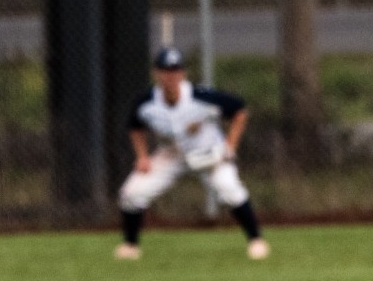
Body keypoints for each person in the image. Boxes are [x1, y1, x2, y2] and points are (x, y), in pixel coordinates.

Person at [114, 46, 270, 261]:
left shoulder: (201, 95)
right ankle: (130, 246)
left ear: (182, 73)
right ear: (156, 73)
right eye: (166, 70)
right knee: (132, 193)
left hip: (208, 153)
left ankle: (256, 240)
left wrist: (230, 146)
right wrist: (142, 156)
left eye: (175, 70)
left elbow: (240, 110)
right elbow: (135, 126)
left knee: (229, 188)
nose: (171, 76)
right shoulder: (146, 101)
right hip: (173, 154)